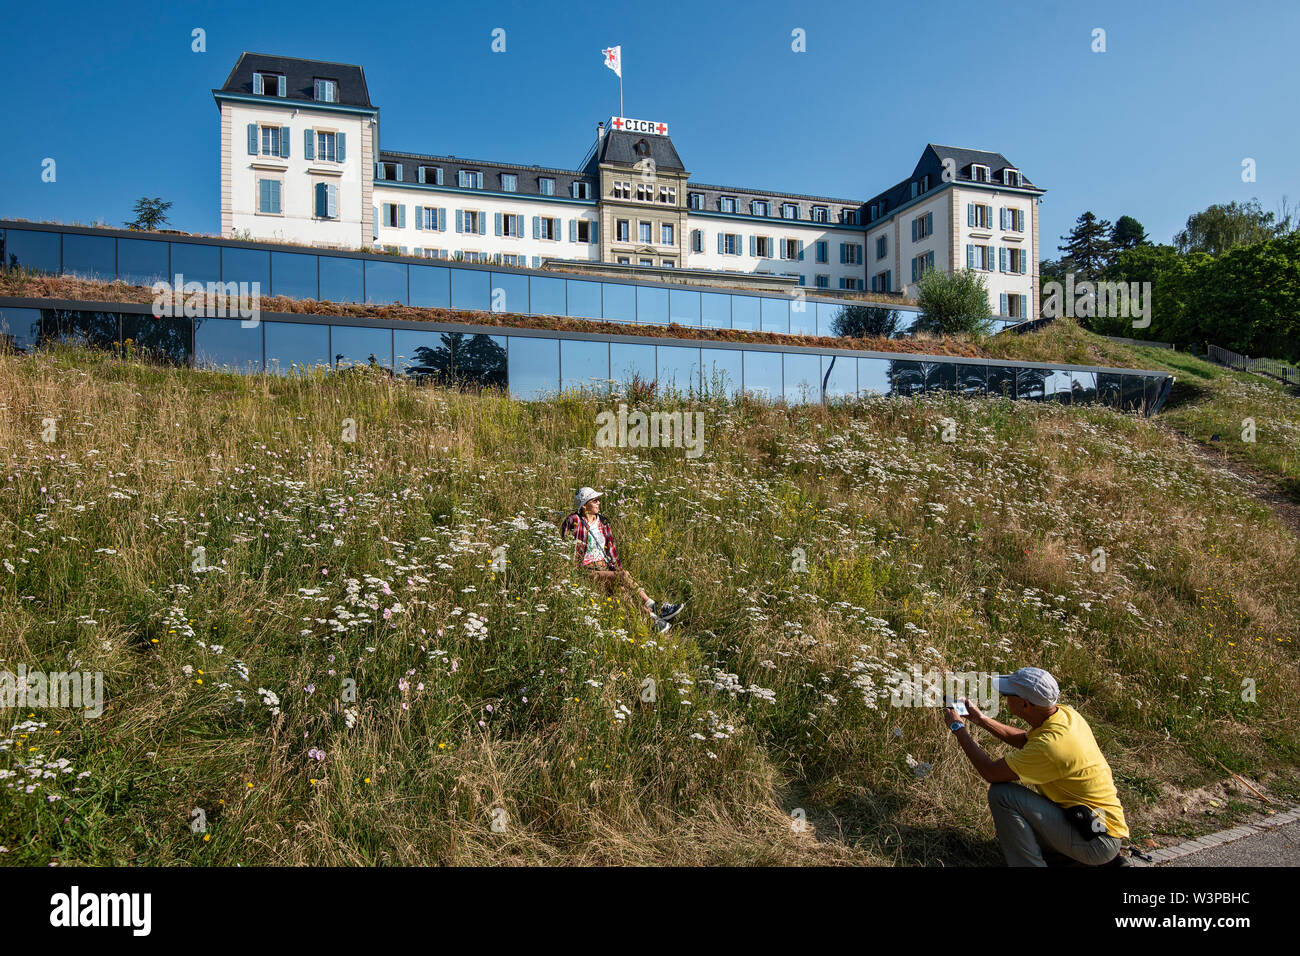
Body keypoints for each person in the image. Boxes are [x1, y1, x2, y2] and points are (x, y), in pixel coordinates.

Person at [942, 666, 1129, 867]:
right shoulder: (1066, 716)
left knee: (1003, 795)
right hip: (1096, 827)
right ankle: (1069, 859)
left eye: (1007, 694)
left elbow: (991, 772)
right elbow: (1027, 741)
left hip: (1096, 841)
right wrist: (981, 719)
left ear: (1025, 704)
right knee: (1014, 825)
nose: (1004, 697)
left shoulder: (1051, 747)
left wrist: (958, 728)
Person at [561, 487, 684, 634]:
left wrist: (615, 569)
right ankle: (654, 606)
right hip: (586, 570)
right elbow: (564, 548)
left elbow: (611, 551)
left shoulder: (603, 523)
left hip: (604, 568)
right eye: (595, 501)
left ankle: (652, 620)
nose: (599, 503)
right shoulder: (574, 520)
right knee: (623, 575)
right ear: (584, 504)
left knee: (623, 593)